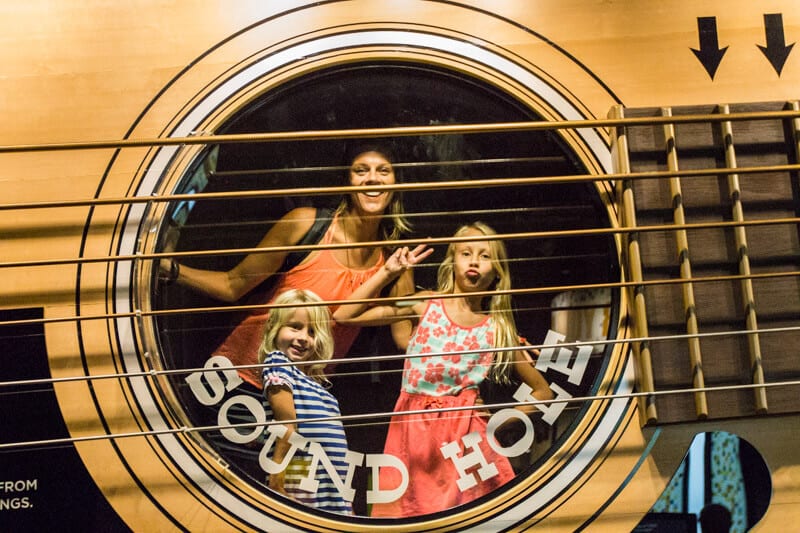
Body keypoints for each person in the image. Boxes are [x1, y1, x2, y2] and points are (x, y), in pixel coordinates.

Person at [160, 144, 413, 477]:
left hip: (307, 401)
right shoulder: (306, 224)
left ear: (396, 183)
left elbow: (407, 341)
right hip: (241, 384)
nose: (372, 179)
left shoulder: (395, 260)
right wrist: (172, 270)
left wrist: (459, 309)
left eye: (383, 170)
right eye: (361, 170)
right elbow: (233, 284)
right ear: (346, 181)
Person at [333, 222, 554, 517]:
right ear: (452, 261)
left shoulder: (496, 330)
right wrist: (388, 272)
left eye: (485, 256)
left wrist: (497, 424)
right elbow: (345, 314)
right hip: (412, 437)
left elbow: (544, 392)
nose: (474, 260)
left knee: (467, 519)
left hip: (466, 444)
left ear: (498, 272)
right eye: (466, 253)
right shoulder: (423, 305)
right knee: (406, 518)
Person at [258, 289, 352, 515]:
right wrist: (277, 476)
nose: (303, 337)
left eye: (312, 331)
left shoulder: (316, 386)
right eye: (295, 327)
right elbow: (286, 423)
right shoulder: (277, 361)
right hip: (302, 474)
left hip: (327, 483)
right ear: (274, 328)